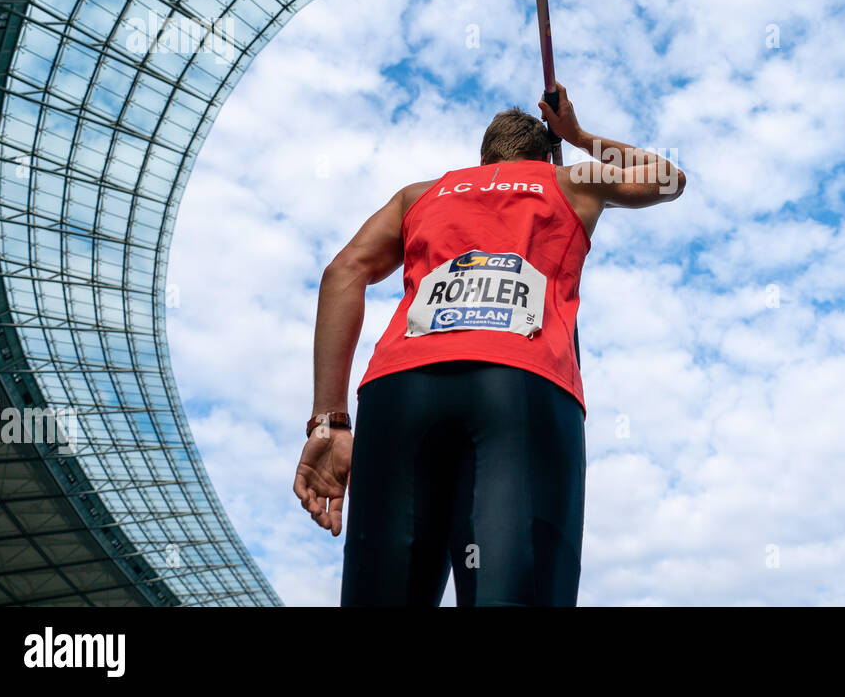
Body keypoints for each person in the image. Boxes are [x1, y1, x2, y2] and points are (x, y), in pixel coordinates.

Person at [292, 83, 685, 606]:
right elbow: (668, 179)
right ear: (543, 154)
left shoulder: (421, 194)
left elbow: (342, 272)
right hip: (521, 385)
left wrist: (329, 420)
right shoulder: (567, 180)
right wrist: (579, 135)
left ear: (483, 157)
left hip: (400, 390)